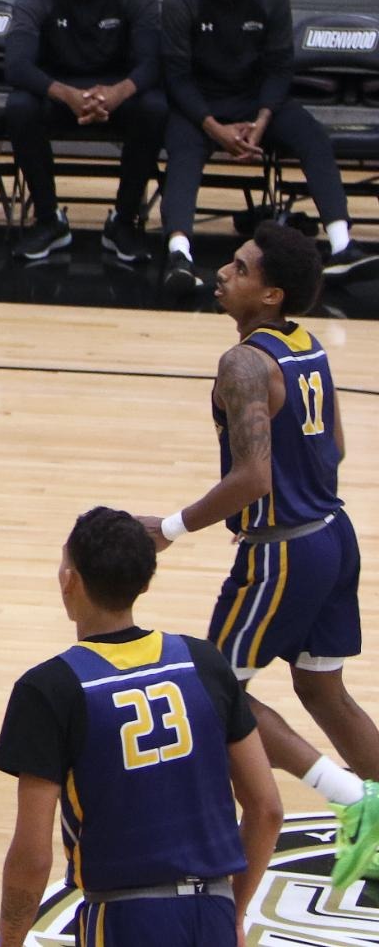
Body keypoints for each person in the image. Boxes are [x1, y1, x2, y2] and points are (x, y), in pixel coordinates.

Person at [137, 223, 379, 890]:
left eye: (240, 269)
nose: (223, 273)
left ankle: (356, 799)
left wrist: (169, 526)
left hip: (282, 553)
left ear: (270, 293)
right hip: (335, 532)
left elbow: (253, 479)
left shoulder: (244, 363)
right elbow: (336, 445)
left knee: (219, 697)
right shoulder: (306, 346)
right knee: (321, 687)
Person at [0, 508, 279, 946]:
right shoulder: (204, 662)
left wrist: (9, 941)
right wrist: (234, 912)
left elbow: (31, 857)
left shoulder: (50, 688)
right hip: (213, 912)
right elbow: (266, 809)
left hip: (126, 920)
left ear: (69, 580)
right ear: (144, 582)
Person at [160, 0, 377, 299]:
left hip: (256, 100)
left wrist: (260, 121)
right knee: (182, 149)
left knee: (311, 136)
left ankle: (342, 246)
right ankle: (179, 255)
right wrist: (214, 128)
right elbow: (176, 76)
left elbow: (280, 68)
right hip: (201, 103)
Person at [3, 0, 165, 264]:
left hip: (117, 93)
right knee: (19, 107)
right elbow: (16, 64)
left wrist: (118, 92)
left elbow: (153, 62)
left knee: (154, 107)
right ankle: (48, 221)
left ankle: (123, 222)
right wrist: (66, 94)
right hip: (60, 91)